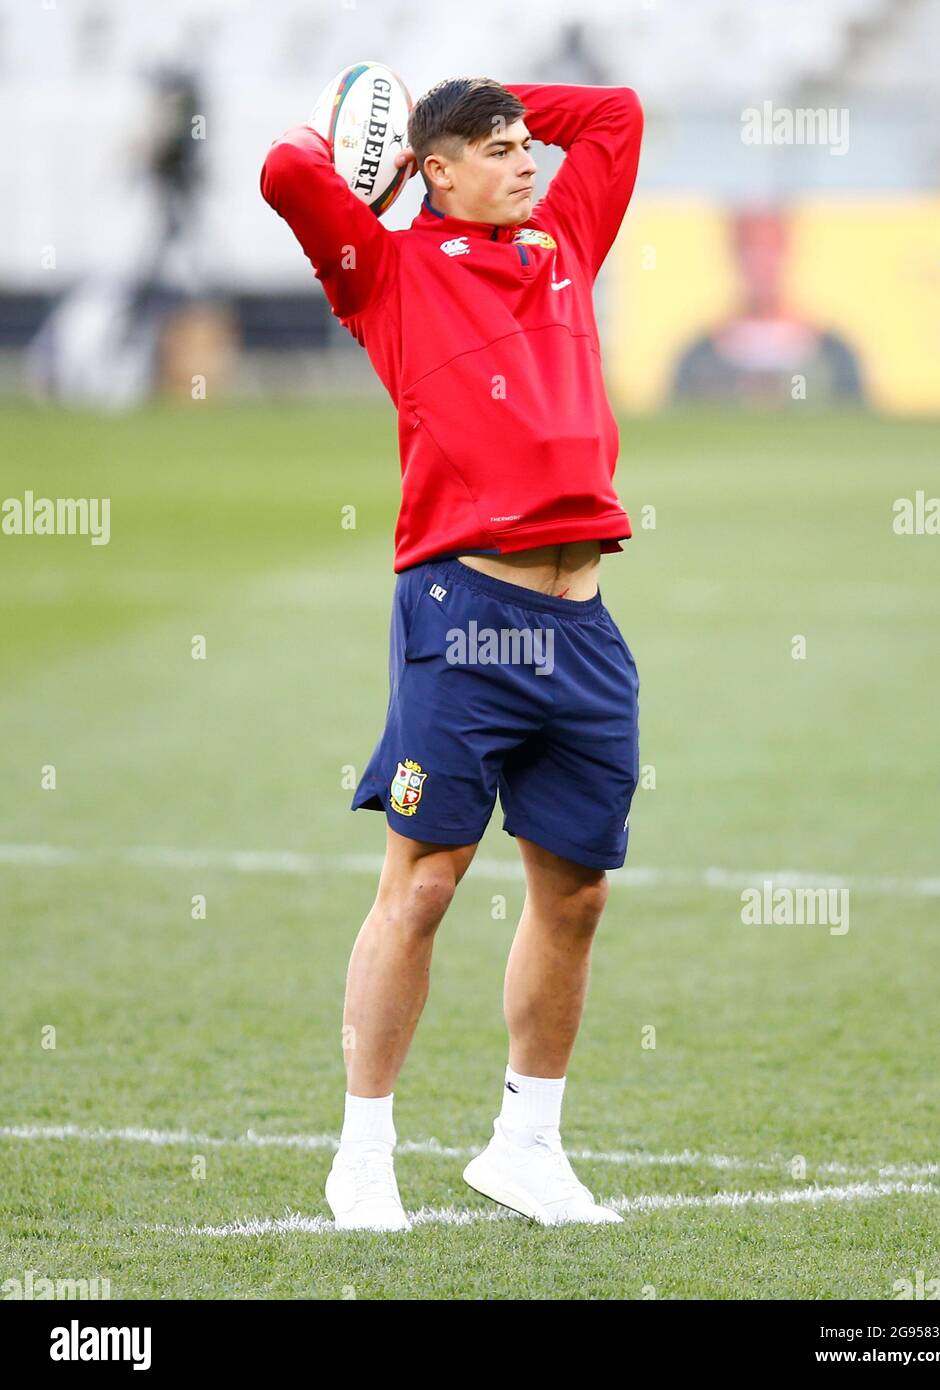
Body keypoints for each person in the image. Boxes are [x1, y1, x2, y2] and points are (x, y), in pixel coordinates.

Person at [260, 74, 643, 1230]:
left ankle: (525, 1144)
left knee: (574, 894)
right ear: (433, 168)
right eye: (495, 147)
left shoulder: (564, 237)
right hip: (462, 615)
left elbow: (614, 113)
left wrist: (472, 86)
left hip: (582, 627)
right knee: (423, 885)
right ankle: (363, 1152)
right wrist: (371, 129)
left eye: (527, 144)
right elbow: (286, 172)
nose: (529, 162)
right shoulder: (384, 272)